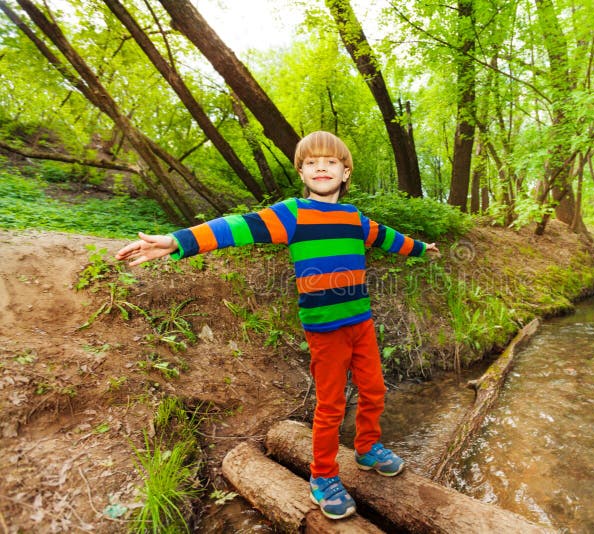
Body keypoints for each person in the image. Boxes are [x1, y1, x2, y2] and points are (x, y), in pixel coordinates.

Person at [116, 131, 439, 520]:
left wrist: (422, 248)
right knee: (332, 403)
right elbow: (236, 226)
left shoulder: (354, 219)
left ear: (346, 172)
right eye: (311, 162)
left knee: (374, 389)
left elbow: (389, 238)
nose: (322, 166)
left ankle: (368, 448)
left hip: (362, 323)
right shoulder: (292, 214)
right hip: (325, 330)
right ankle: (323, 475)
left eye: (331, 161)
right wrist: (176, 241)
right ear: (302, 172)